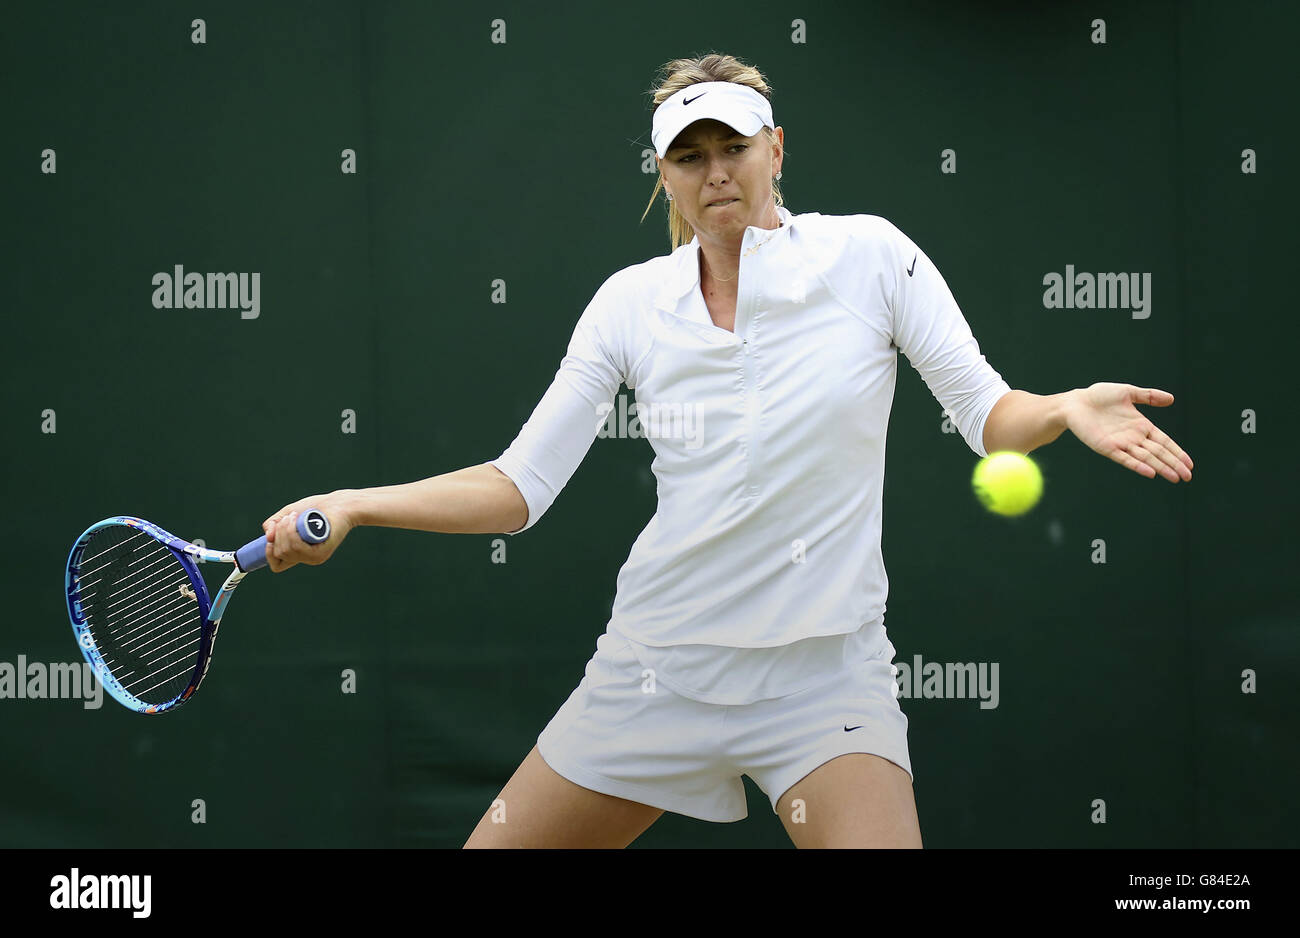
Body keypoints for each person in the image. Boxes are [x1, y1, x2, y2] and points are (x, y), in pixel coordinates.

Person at [259, 53, 1194, 848]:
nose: (716, 173)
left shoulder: (870, 258)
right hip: (658, 666)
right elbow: (516, 487)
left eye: (735, 147)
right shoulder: (628, 304)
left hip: (826, 675)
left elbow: (991, 414)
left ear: (776, 150)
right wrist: (355, 502)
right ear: (661, 175)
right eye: (690, 155)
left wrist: (1067, 406)